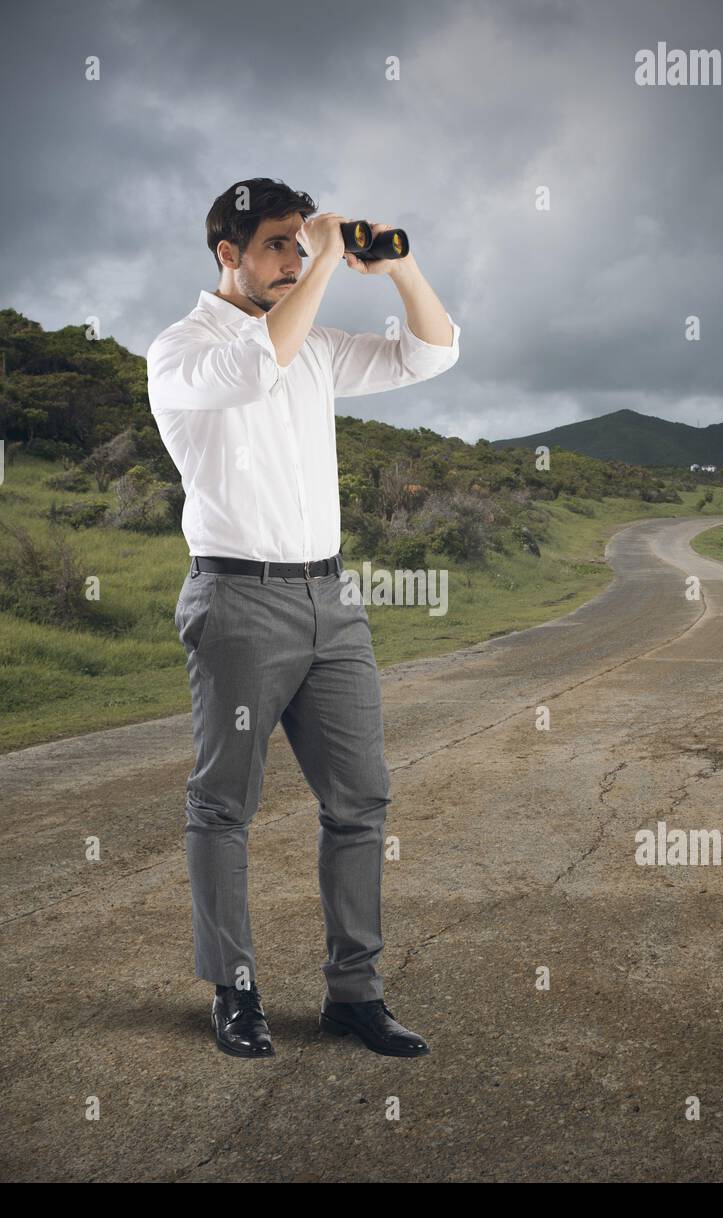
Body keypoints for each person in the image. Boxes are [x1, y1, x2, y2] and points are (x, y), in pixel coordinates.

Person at [146, 178, 461, 1059]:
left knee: (361, 800)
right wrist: (323, 260)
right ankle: (235, 991)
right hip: (237, 600)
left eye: (299, 242)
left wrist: (400, 266)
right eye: (276, 245)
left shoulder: (314, 342)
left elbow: (431, 354)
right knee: (224, 804)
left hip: (332, 602)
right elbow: (259, 363)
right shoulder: (181, 350)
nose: (292, 258)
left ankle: (355, 995)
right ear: (228, 254)